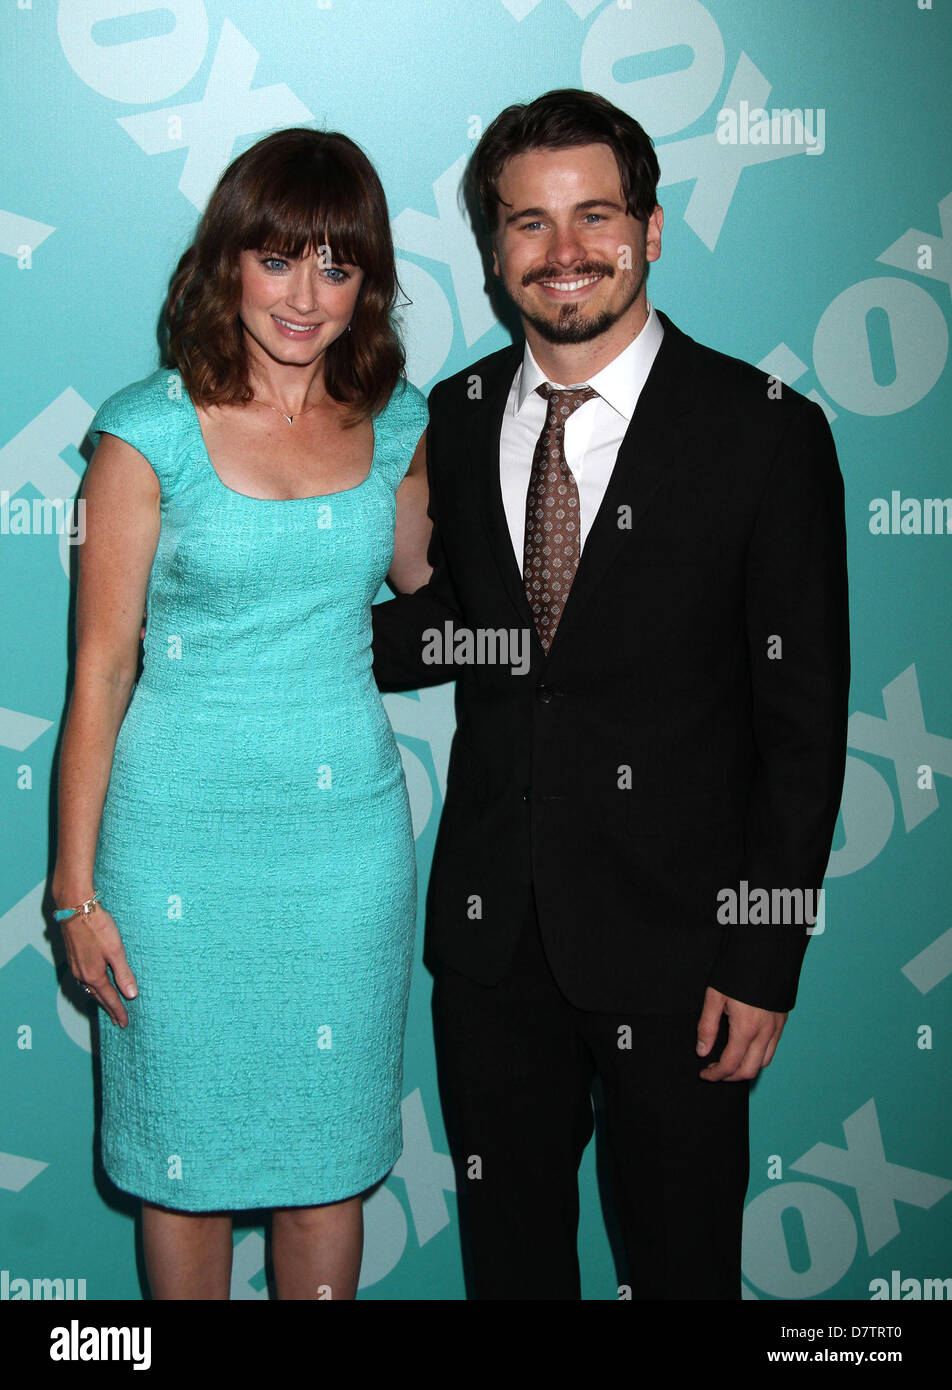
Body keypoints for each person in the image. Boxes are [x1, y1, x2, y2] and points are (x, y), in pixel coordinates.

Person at [371, 88, 850, 1299]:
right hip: (493, 950)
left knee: (684, 1269)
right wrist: (256, 633)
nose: (563, 250)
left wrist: (762, 951)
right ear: (492, 251)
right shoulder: (458, 413)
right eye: (527, 224)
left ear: (649, 229)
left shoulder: (764, 431)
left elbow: (802, 725)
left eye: (593, 215)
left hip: (685, 954)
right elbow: (463, 635)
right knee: (510, 1273)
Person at [52, 127, 432, 1300]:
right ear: (227, 262)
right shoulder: (145, 429)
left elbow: (433, 584)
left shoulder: (402, 423)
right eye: (276, 260)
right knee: (185, 1166)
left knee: (329, 1171)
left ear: (367, 283)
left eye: (336, 265)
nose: (304, 296)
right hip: (175, 848)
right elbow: (101, 673)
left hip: (343, 853)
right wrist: (74, 891)